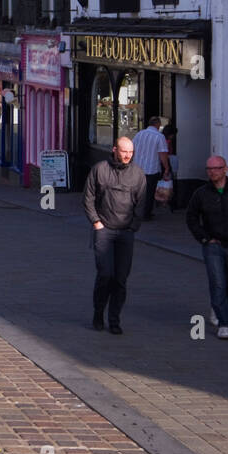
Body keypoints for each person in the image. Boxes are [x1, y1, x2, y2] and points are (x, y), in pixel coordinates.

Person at [83, 137, 146, 334]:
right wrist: (96, 222)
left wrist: (133, 226)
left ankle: (114, 319)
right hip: (105, 231)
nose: (127, 156)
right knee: (105, 274)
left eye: (131, 152)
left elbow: (142, 202)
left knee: (120, 278)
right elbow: (88, 197)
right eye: (124, 151)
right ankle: (98, 312)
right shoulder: (100, 169)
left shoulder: (137, 174)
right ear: (114, 150)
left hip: (125, 232)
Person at [186, 156, 228, 340]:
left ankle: (218, 305)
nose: (212, 172)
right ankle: (225, 323)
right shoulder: (201, 194)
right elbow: (191, 217)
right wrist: (204, 238)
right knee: (218, 282)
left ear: (225, 169)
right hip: (213, 245)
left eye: (216, 168)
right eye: (209, 169)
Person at [132, 116, 171, 220]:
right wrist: (166, 168)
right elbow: (163, 153)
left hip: (137, 168)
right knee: (149, 192)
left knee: (137, 191)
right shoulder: (159, 136)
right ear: (157, 124)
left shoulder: (139, 134)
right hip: (151, 169)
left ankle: (135, 212)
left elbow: (132, 150)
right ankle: (146, 214)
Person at [162, 123, 179, 210]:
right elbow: (167, 154)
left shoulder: (163, 140)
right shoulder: (167, 142)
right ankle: (169, 202)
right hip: (168, 164)